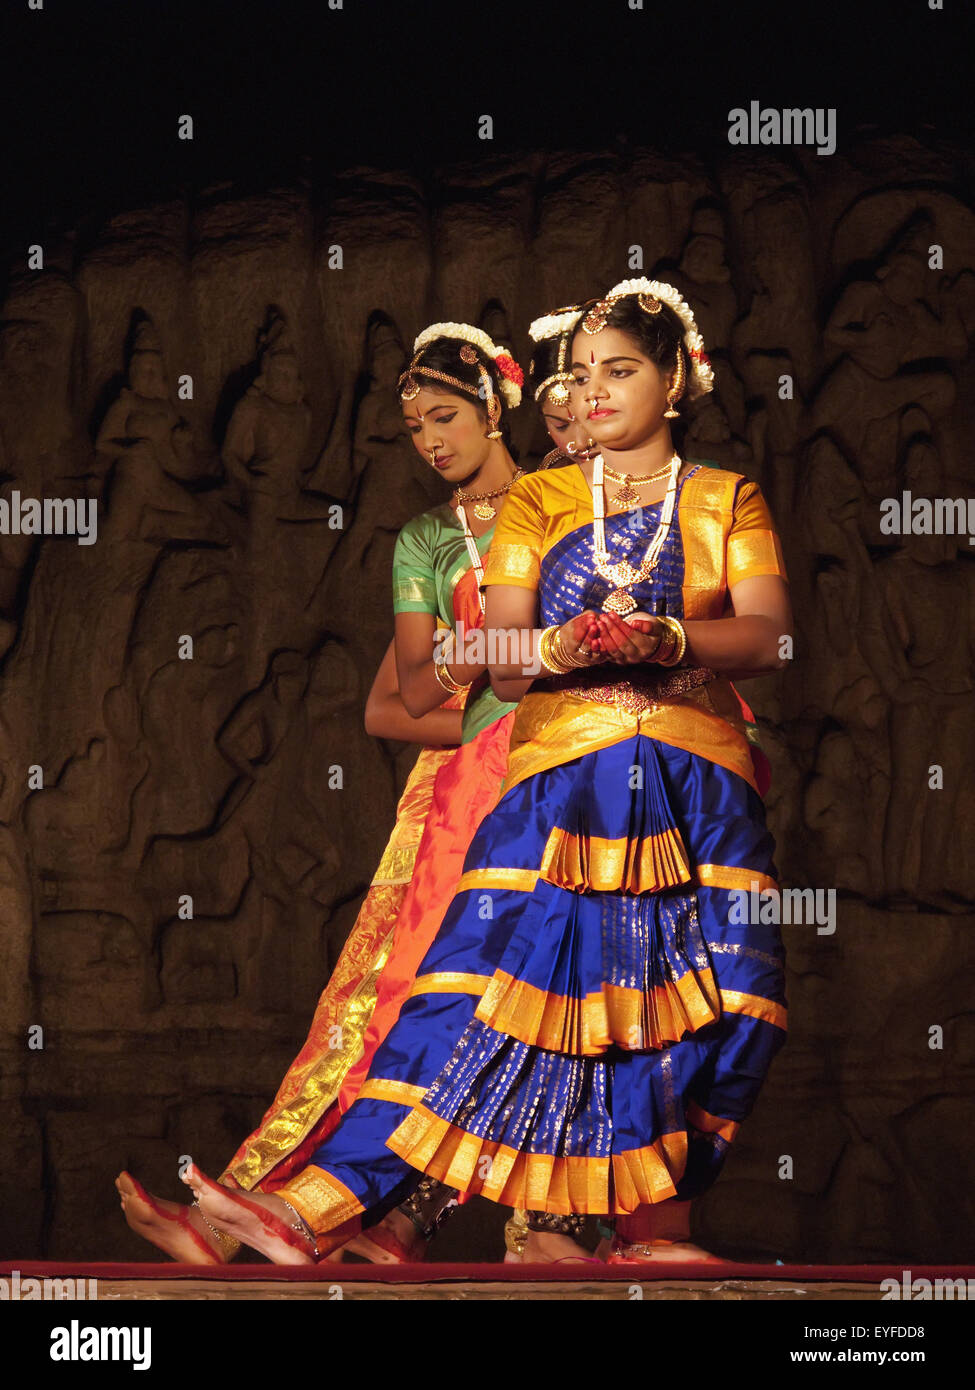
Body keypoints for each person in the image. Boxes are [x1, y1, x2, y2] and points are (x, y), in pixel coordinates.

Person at [175, 277, 792, 1267]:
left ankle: (645, 1223)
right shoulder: (538, 500)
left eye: (620, 371)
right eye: (582, 375)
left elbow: (765, 634)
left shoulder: (727, 499)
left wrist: (670, 630)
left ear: (676, 380)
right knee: (463, 996)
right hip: (560, 783)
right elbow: (503, 654)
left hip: (699, 778)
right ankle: (318, 1206)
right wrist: (576, 644)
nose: (593, 392)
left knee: (723, 998)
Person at [117, 321, 528, 1263]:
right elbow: (401, 699)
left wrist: (494, 691)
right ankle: (262, 1203)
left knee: (502, 1001)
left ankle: (371, 1217)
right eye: (416, 424)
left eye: (446, 415)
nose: (430, 440)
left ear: (492, 407)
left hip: (556, 773)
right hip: (460, 789)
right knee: (381, 1001)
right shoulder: (426, 537)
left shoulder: (557, 508)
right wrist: (481, 685)